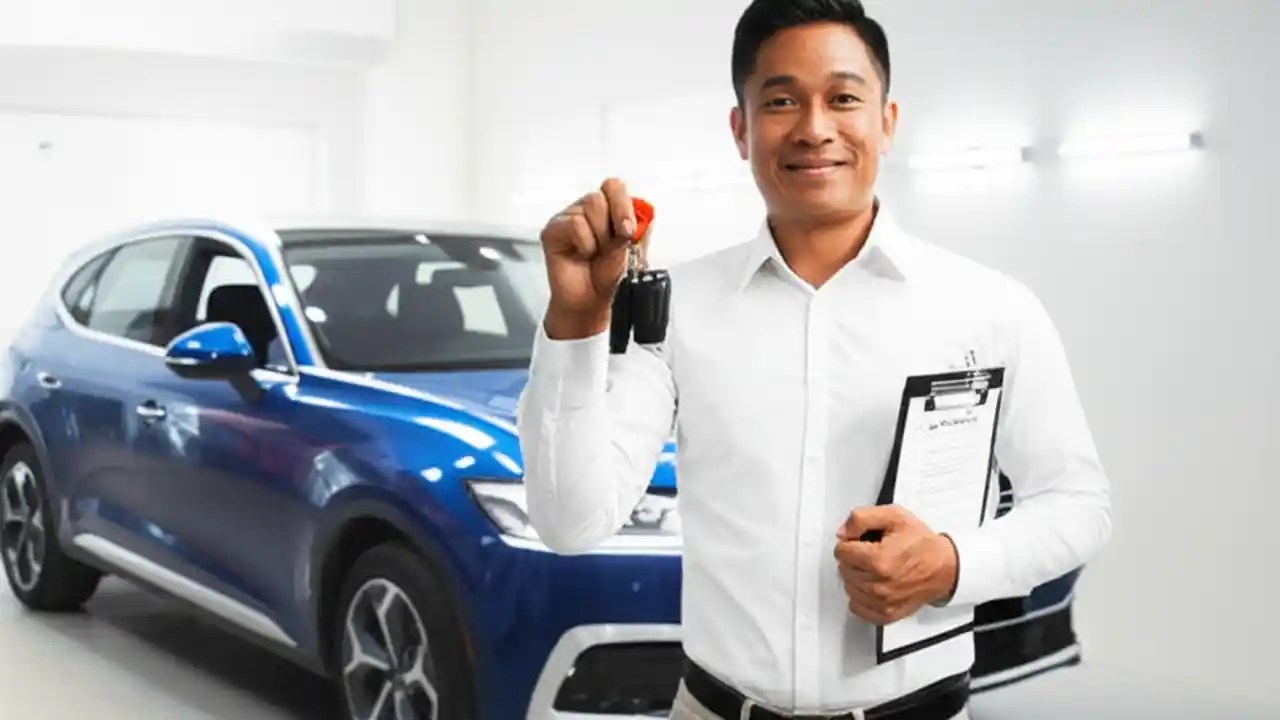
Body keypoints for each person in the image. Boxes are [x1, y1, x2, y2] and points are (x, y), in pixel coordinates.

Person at [516, 0, 1113, 717]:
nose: (814, 128)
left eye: (844, 98)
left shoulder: (991, 308)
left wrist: (953, 564)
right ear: (740, 130)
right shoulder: (682, 308)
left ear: (886, 121)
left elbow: (1076, 505)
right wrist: (577, 321)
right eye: (780, 101)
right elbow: (571, 522)